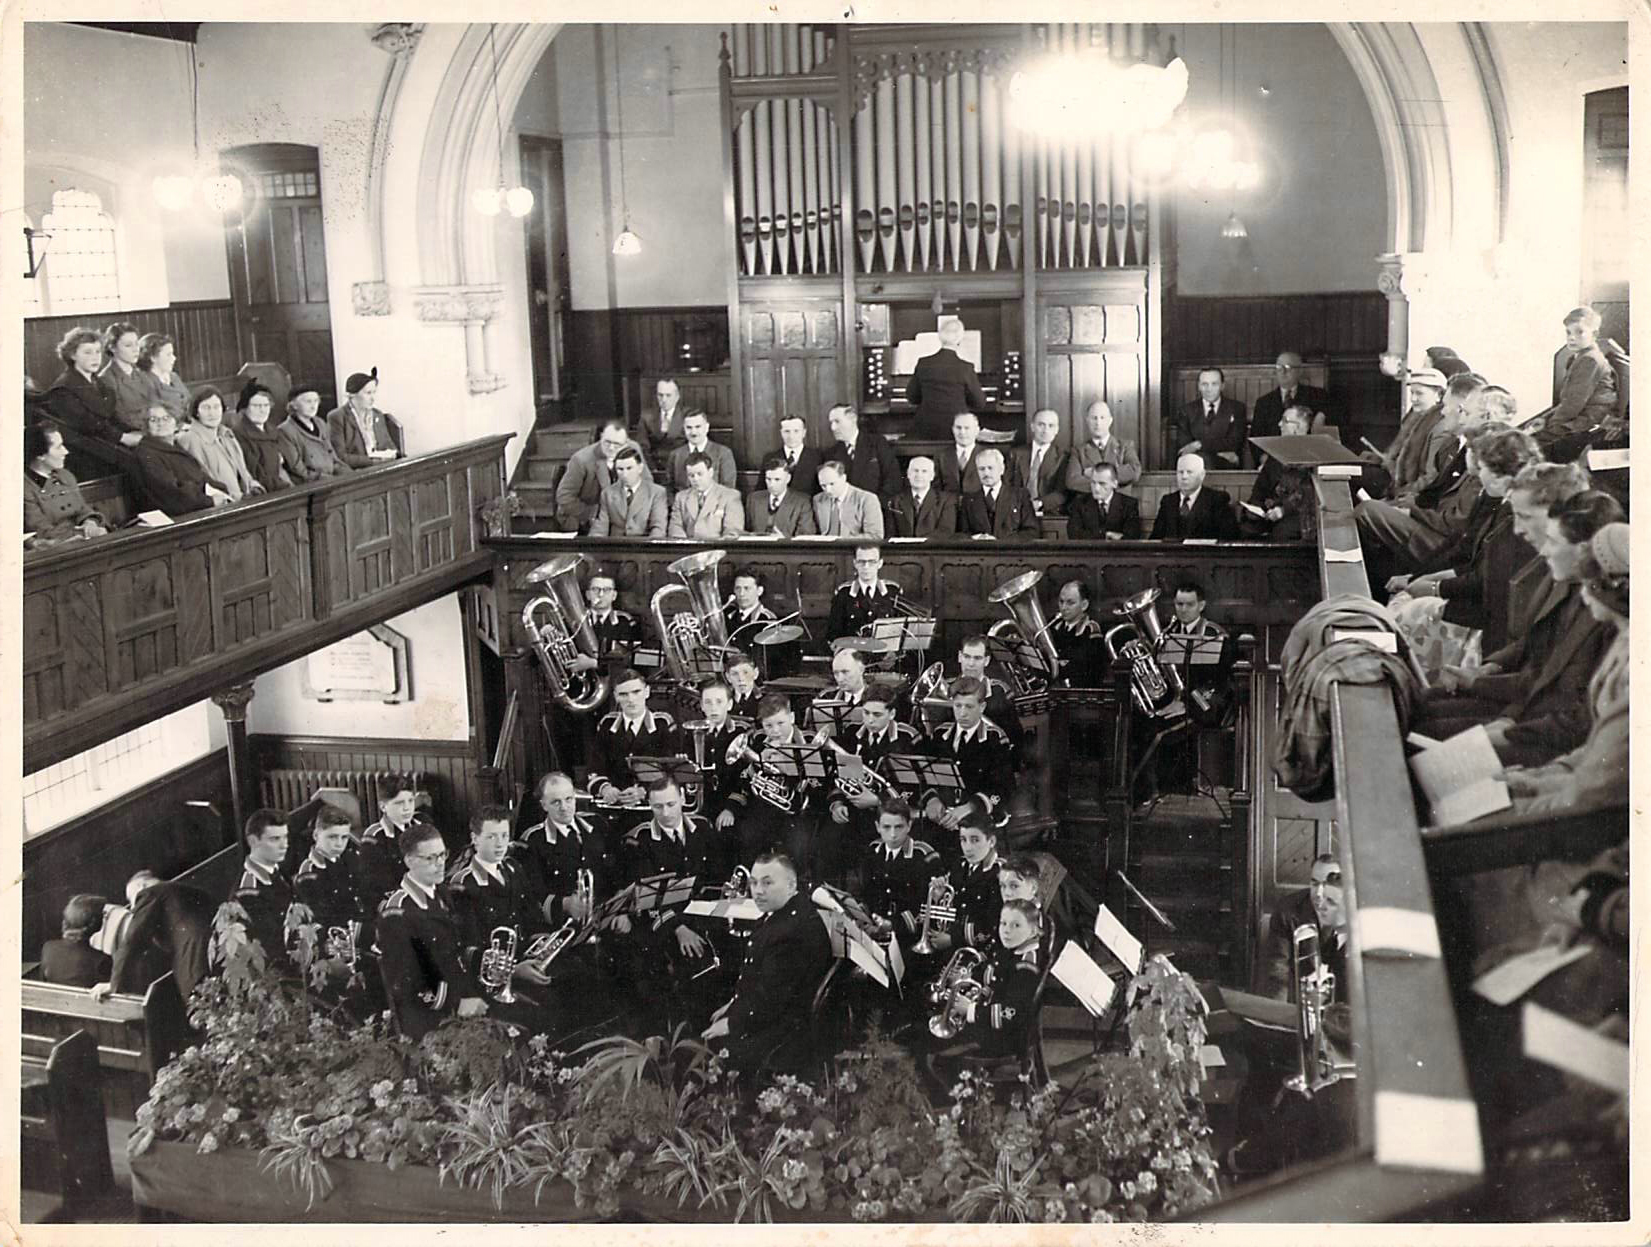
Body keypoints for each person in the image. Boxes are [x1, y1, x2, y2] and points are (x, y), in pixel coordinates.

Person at [1419, 491, 1620, 768]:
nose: (1544, 551)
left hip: (1553, 744)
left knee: (1425, 736)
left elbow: (1576, 714)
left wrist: (1509, 727)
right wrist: (1487, 681)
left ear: (1584, 550)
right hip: (1530, 712)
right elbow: (1538, 665)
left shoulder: (1609, 619)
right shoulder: (1565, 581)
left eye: (1553, 541)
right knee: (1422, 705)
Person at [702, 851, 834, 1074]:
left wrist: (732, 1022)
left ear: (791, 885)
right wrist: (733, 1006)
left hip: (784, 1032)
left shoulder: (790, 932)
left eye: (767, 883)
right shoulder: (789, 913)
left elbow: (771, 999)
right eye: (754, 883)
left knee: (702, 1048)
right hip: (775, 1016)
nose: (758, 891)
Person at [375, 824, 488, 1040]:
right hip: (430, 1015)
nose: (440, 864)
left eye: (442, 855)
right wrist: (457, 1002)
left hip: (461, 997)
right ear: (409, 861)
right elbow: (408, 983)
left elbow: (456, 951)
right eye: (430, 859)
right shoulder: (397, 912)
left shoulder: (440, 893)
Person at [725, 693, 828, 876]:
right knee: (746, 838)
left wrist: (794, 768)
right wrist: (759, 764)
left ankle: (797, 890)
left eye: (781, 723)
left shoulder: (810, 741)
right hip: (763, 810)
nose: (775, 731)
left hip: (798, 815)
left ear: (792, 718)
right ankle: (751, 888)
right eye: (768, 725)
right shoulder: (757, 742)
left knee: (798, 848)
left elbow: (820, 785)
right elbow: (743, 782)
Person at [515, 771, 622, 929]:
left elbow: (616, 872)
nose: (564, 808)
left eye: (568, 799)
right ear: (544, 805)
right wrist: (565, 904)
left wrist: (620, 908)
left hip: (606, 921)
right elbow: (532, 895)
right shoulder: (532, 840)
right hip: (563, 927)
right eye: (556, 802)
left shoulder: (597, 824)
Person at [91, 869, 215, 1000]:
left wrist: (114, 984)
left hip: (194, 959)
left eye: (132, 899)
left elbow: (133, 939)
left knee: (202, 1006)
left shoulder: (150, 892)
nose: (134, 907)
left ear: (141, 886)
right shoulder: (185, 892)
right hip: (216, 951)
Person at [922, 679, 1013, 832]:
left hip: (980, 820)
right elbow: (926, 775)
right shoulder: (939, 734)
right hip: (943, 819)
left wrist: (970, 807)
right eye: (958, 706)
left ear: (982, 707)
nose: (962, 713)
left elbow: (1004, 788)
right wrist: (932, 799)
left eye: (969, 707)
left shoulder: (995, 739)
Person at [1535, 306, 1619, 460]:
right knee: (1533, 430)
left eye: (1579, 332)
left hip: (1589, 420)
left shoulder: (1590, 360)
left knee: (1532, 445)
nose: (1572, 337)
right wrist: (1546, 418)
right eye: (1568, 332)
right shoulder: (1580, 356)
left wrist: (1551, 426)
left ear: (1594, 334)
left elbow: (1574, 403)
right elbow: (1568, 401)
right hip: (1579, 415)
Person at [1262, 855, 1349, 1001]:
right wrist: (1278, 1018)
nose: (1319, 894)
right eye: (1314, 884)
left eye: (1327, 885)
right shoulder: (1287, 912)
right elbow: (1277, 974)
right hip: (1301, 1004)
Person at [587, 669, 680, 805]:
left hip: (653, 805)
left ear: (647, 692)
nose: (631, 700)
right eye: (623, 694)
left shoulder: (663, 723)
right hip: (614, 804)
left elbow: (673, 771)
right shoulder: (607, 724)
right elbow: (595, 767)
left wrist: (644, 791)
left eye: (636, 692)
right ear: (616, 696)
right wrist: (605, 789)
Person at [858, 800, 942, 947]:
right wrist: (865, 920)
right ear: (877, 827)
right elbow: (866, 892)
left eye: (899, 827)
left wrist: (893, 925)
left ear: (909, 826)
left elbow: (927, 906)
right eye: (886, 827)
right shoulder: (873, 851)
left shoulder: (924, 855)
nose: (893, 834)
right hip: (875, 931)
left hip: (909, 936)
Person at [357, 777, 441, 913]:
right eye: (399, 803)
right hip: (396, 902)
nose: (407, 808)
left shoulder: (422, 825)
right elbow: (376, 885)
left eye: (410, 801)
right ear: (383, 806)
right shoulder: (375, 838)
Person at [293, 805, 371, 948]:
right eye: (332, 837)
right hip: (336, 940)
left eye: (344, 837)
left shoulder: (349, 859)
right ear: (316, 835)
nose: (339, 844)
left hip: (359, 928)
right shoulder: (309, 873)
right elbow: (321, 920)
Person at [133, 404, 233, 515]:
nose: (161, 423)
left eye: (166, 418)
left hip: (197, 507)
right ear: (146, 426)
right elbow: (170, 492)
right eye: (153, 420)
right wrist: (209, 501)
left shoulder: (175, 447)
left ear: (176, 423)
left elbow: (200, 476)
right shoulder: (146, 453)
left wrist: (221, 490)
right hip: (177, 517)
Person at [560, 420, 656, 534]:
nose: (611, 448)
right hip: (586, 516)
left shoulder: (633, 449)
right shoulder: (581, 460)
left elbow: (647, 482)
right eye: (607, 442)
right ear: (601, 437)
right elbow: (564, 495)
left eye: (617, 444)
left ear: (626, 443)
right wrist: (592, 513)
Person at [1241, 406, 1319, 542]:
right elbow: (1261, 487)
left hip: (1298, 514)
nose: (1279, 424)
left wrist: (1282, 510)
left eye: (1284, 420)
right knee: (1245, 528)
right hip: (1270, 511)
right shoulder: (1276, 454)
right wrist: (1255, 507)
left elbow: (1308, 492)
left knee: (1282, 532)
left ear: (1298, 428)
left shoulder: (1313, 455)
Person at [232, 810, 297, 968]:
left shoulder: (276, 871)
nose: (284, 845)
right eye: (275, 839)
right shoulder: (249, 890)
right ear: (253, 841)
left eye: (285, 837)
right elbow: (272, 948)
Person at [25, 423, 108, 544]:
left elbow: (83, 510)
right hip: (56, 548)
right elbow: (41, 530)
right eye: (59, 447)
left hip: (83, 538)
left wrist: (90, 522)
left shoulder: (65, 476)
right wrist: (81, 533)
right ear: (40, 455)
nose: (66, 451)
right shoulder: (24, 487)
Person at [1372, 367, 1448, 498]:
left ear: (1439, 395)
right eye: (1412, 393)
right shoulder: (1415, 418)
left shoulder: (1441, 427)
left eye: (1419, 394)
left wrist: (1399, 494)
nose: (1413, 399)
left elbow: (1431, 477)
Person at [177, 386, 262, 503]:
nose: (212, 413)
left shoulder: (226, 434)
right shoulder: (190, 439)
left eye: (216, 407)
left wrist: (252, 485)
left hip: (245, 501)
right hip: (224, 505)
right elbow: (204, 481)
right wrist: (235, 497)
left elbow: (242, 469)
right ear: (196, 411)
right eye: (206, 408)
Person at [906, 319, 987, 439]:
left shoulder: (923, 363)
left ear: (940, 337)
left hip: (926, 429)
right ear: (960, 339)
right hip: (957, 431)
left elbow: (912, 397)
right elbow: (980, 403)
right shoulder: (965, 367)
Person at [44, 327, 125, 445]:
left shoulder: (98, 382)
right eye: (88, 352)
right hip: (87, 449)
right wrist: (122, 437)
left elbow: (113, 417)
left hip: (107, 442)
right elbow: (87, 425)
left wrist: (134, 432)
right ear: (73, 355)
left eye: (98, 351)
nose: (95, 357)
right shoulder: (63, 389)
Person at [1150, 452, 1239, 541]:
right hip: (1172, 554)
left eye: (1189, 472)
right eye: (1180, 472)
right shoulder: (1168, 501)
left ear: (1202, 475)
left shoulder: (1217, 500)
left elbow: (1228, 539)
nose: (1184, 477)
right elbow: (1155, 539)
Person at [328, 368, 405, 468]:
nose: (373, 398)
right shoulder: (337, 417)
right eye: (368, 393)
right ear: (352, 395)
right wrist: (373, 462)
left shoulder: (377, 415)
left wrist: (397, 457)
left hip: (382, 467)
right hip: (358, 473)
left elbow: (389, 446)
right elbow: (340, 457)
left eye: (374, 392)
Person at [1249, 352, 1331, 444]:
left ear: (1299, 371)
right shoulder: (1263, 402)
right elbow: (1255, 437)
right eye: (1279, 368)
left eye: (1288, 367)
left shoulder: (1317, 395)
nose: (1283, 372)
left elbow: (1334, 415)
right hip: (1274, 454)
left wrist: (1322, 415)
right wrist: (1263, 458)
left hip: (1306, 452)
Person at [588, 444, 668, 537]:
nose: (625, 474)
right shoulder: (607, 493)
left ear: (640, 468)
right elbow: (600, 528)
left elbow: (658, 528)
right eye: (620, 469)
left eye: (629, 468)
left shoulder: (657, 493)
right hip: (615, 548)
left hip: (644, 547)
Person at [278, 383, 354, 481]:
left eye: (316, 401)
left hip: (332, 480)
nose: (313, 406)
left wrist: (350, 474)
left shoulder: (320, 423)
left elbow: (333, 458)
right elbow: (299, 470)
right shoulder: (285, 431)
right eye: (308, 401)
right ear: (294, 405)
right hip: (311, 485)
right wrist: (331, 481)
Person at [1175, 368, 1248, 468]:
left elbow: (1234, 442)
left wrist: (1199, 444)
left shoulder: (1237, 408)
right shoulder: (1186, 411)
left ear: (1222, 386)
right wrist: (1219, 450)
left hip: (1226, 468)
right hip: (1196, 466)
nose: (1209, 389)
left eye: (1214, 384)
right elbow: (1185, 446)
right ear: (1199, 386)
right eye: (1204, 384)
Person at [825, 546, 903, 640]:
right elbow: (833, 634)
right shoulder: (843, 593)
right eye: (861, 562)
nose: (866, 567)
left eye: (872, 562)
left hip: (885, 651)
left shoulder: (892, 591)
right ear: (855, 563)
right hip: (853, 650)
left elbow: (902, 632)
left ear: (880, 563)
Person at [959, 448, 1039, 539]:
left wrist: (1001, 540)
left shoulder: (1020, 496)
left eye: (990, 468)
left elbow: (1032, 531)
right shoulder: (969, 500)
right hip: (981, 552)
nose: (986, 473)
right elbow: (963, 534)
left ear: (1002, 469)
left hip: (1010, 551)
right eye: (981, 469)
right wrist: (977, 538)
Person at [1063, 400, 1142, 492]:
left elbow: (1134, 472)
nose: (1098, 423)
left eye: (1102, 418)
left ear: (1110, 421)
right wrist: (1112, 481)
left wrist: (1093, 472)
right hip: (1089, 503)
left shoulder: (1125, 446)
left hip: (1120, 503)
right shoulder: (1078, 451)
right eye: (1094, 418)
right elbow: (1072, 481)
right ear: (1087, 421)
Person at [825, 404, 901, 499]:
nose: (833, 428)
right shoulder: (831, 453)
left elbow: (893, 479)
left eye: (837, 421)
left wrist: (874, 505)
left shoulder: (877, 443)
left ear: (853, 419)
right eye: (831, 423)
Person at [232, 381, 294, 493]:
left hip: (282, 485)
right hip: (263, 492)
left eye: (266, 405)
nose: (262, 410)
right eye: (256, 406)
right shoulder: (239, 434)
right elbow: (254, 471)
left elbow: (285, 464)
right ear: (244, 408)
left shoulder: (273, 430)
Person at [40, 895, 113, 987]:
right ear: (94, 921)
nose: (104, 918)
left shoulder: (48, 948)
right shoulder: (102, 960)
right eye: (103, 915)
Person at [668, 452, 745, 539]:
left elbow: (732, 531)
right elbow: (675, 527)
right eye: (691, 475)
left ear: (710, 472)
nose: (695, 479)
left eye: (700, 474)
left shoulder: (730, 496)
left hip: (718, 548)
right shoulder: (681, 497)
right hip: (688, 549)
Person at [1011, 409, 1070, 516]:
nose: (1045, 430)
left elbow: (1062, 492)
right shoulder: (1016, 454)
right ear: (1032, 427)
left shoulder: (1063, 456)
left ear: (1056, 430)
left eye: (1051, 426)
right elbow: (1007, 485)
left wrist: (1039, 504)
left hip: (1048, 513)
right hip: (1017, 512)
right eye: (1041, 425)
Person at [99, 321, 152, 440]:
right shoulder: (106, 379)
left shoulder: (141, 373)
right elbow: (120, 418)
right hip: (134, 435)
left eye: (136, 344)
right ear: (112, 348)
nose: (135, 350)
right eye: (128, 345)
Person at [745, 453, 819, 537]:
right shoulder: (754, 499)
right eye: (768, 479)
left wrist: (784, 540)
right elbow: (747, 531)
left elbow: (806, 536)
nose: (771, 484)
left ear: (788, 479)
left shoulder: (802, 502)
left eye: (777, 479)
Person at [635, 377, 699, 473]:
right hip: (654, 470)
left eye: (668, 395)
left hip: (682, 469)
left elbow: (694, 445)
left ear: (677, 396)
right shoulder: (646, 417)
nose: (663, 400)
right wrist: (652, 469)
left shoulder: (688, 416)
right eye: (660, 395)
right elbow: (642, 448)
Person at [1048, 579, 1104, 685]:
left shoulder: (1091, 629)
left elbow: (1085, 668)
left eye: (1070, 603)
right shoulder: (1053, 626)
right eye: (1061, 601)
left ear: (1084, 605)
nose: (1063, 608)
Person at [888, 454, 958, 537]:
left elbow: (946, 531)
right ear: (908, 474)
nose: (919, 475)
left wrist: (920, 543)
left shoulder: (946, 501)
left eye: (924, 471)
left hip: (933, 548)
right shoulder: (895, 501)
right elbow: (890, 533)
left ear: (932, 476)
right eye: (915, 471)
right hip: (904, 549)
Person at [813, 458, 886, 538]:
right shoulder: (818, 499)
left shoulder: (867, 499)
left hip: (857, 548)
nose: (828, 490)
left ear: (843, 478)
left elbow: (875, 535)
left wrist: (843, 541)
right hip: (825, 549)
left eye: (832, 484)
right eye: (823, 486)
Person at [1066, 462, 1140, 539]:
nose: (1096, 488)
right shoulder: (1079, 503)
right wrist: (1106, 535)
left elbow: (1132, 537)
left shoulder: (1129, 504)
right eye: (1093, 483)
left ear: (1114, 484)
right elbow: (1074, 535)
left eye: (1102, 483)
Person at [668, 412, 738, 492]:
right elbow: (669, 487)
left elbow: (728, 488)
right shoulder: (675, 455)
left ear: (707, 427)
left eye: (698, 427)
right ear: (684, 429)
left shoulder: (723, 453)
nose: (693, 432)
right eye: (689, 428)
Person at [134, 333, 192, 423]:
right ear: (153, 357)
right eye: (168, 354)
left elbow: (189, 402)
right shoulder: (144, 381)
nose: (174, 358)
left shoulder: (174, 376)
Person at [939, 412, 987, 497]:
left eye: (967, 428)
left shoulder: (987, 455)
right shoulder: (942, 455)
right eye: (958, 428)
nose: (962, 432)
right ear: (953, 430)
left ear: (977, 431)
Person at [775, 414, 824, 494]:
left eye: (796, 431)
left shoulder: (817, 457)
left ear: (804, 433)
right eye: (787, 431)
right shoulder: (770, 458)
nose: (791, 436)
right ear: (781, 433)